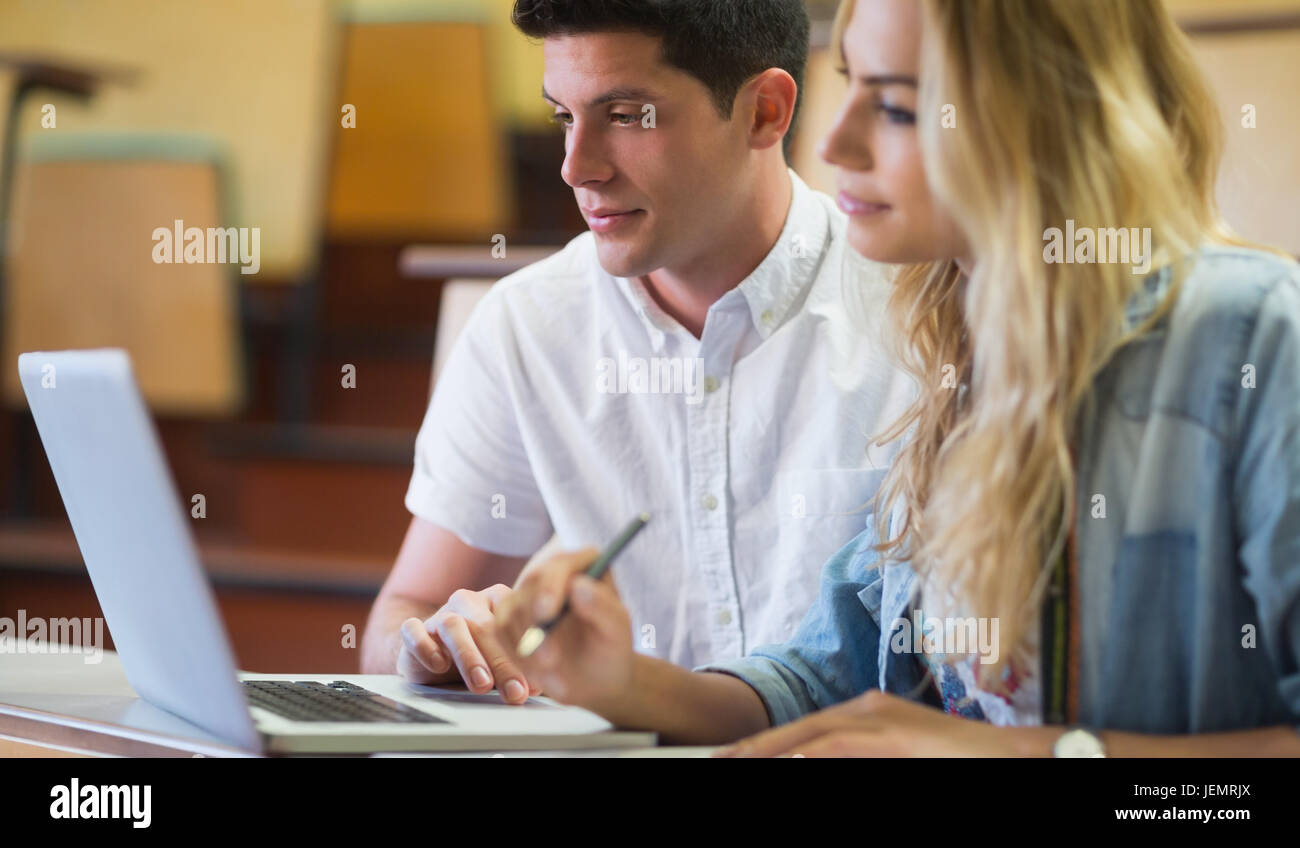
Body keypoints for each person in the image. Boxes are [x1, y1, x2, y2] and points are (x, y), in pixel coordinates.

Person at [493, 0, 1300, 756]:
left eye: (900, 106)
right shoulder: (969, 357)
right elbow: (820, 682)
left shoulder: (1250, 337)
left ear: (1046, 121)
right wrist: (618, 681)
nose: (835, 143)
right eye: (852, 86)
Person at [360, 0, 915, 704]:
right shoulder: (526, 326)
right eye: (564, 117)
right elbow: (403, 611)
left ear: (765, 112)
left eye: (625, 116)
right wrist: (433, 645)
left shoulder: (919, 315)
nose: (575, 168)